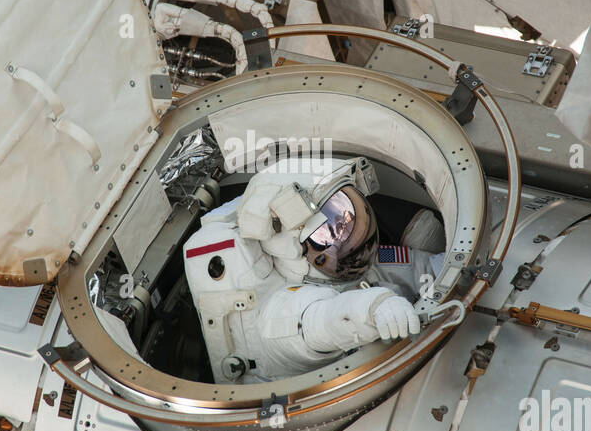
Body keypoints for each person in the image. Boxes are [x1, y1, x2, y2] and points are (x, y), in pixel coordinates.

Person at [181, 156, 445, 383]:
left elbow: (418, 269)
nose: (350, 239)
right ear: (296, 252)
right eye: (330, 235)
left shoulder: (360, 262)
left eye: (347, 216)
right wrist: (373, 309)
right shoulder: (282, 310)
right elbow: (325, 321)